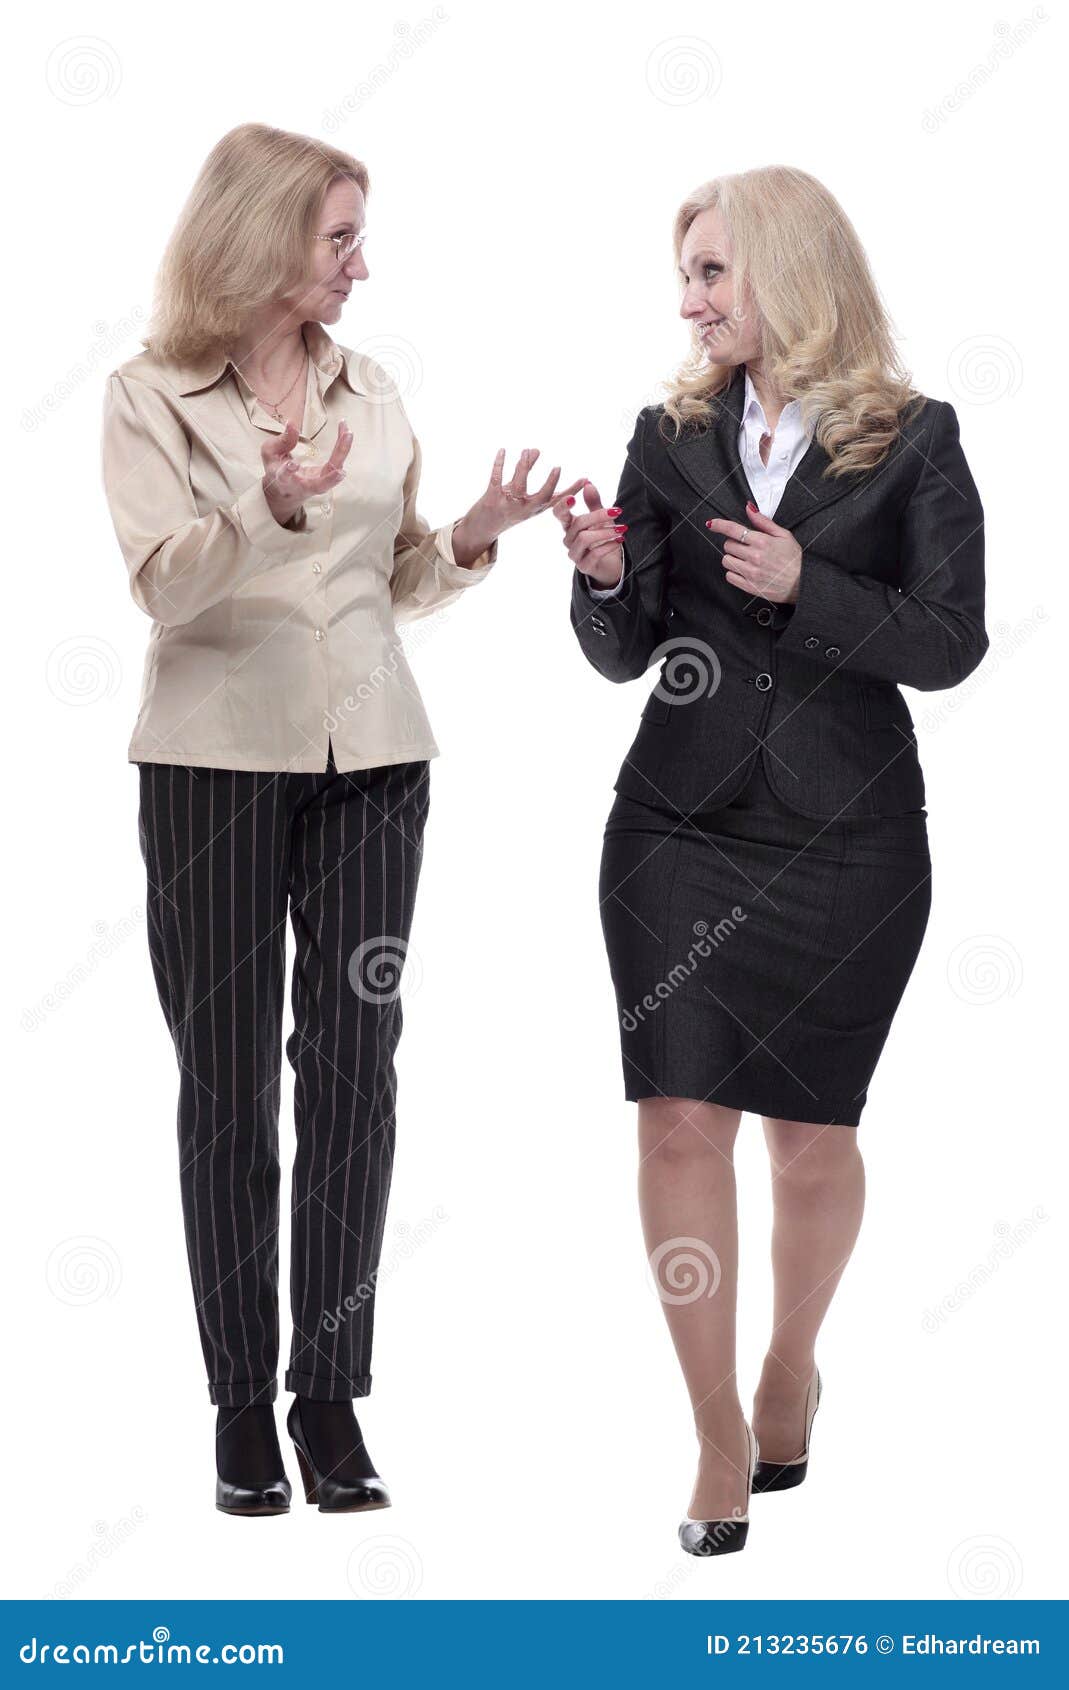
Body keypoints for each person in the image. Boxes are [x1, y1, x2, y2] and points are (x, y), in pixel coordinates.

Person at [101, 122, 579, 1516]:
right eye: (339, 239)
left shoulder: (374, 392)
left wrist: (472, 535)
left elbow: (391, 575)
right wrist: (262, 501)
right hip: (213, 771)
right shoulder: (149, 397)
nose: (362, 265)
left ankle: (329, 1392)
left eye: (359, 236)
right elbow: (162, 586)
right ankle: (241, 1402)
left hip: (375, 762)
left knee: (356, 1070)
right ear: (259, 241)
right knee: (229, 1085)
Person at [556, 165, 987, 1556]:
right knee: (677, 1120)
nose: (685, 302)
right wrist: (604, 573)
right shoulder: (662, 432)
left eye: (709, 274)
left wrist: (813, 591)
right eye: (683, 272)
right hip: (674, 829)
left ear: (790, 275)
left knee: (811, 1143)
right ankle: (713, 1430)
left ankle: (789, 1360)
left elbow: (948, 646)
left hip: (847, 841)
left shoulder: (914, 442)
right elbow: (624, 656)